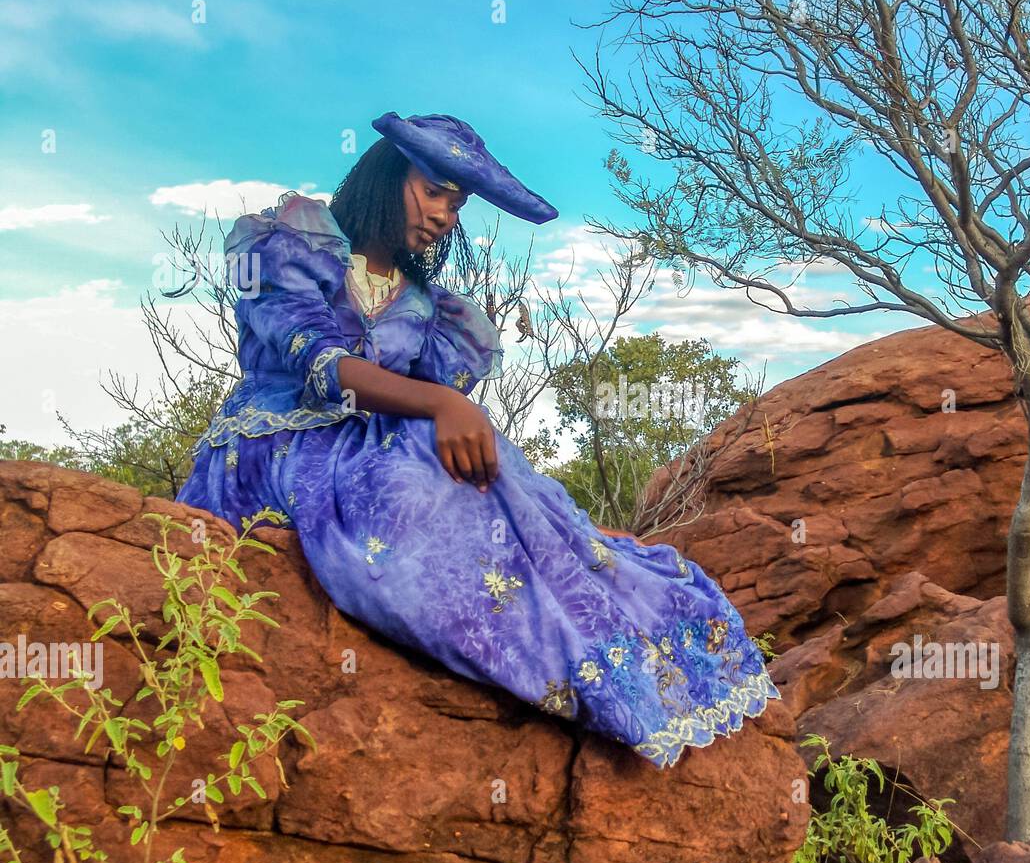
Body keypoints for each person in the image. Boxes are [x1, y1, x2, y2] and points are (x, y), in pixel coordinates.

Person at [176, 111, 780, 770]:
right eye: (434, 191)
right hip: (281, 440)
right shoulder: (293, 241)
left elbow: (430, 415)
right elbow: (318, 366)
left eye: (457, 204)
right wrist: (442, 401)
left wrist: (450, 413)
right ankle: (551, 662)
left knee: (511, 494)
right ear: (386, 173)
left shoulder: (436, 312)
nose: (445, 216)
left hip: (376, 444)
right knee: (408, 489)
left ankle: (610, 662)